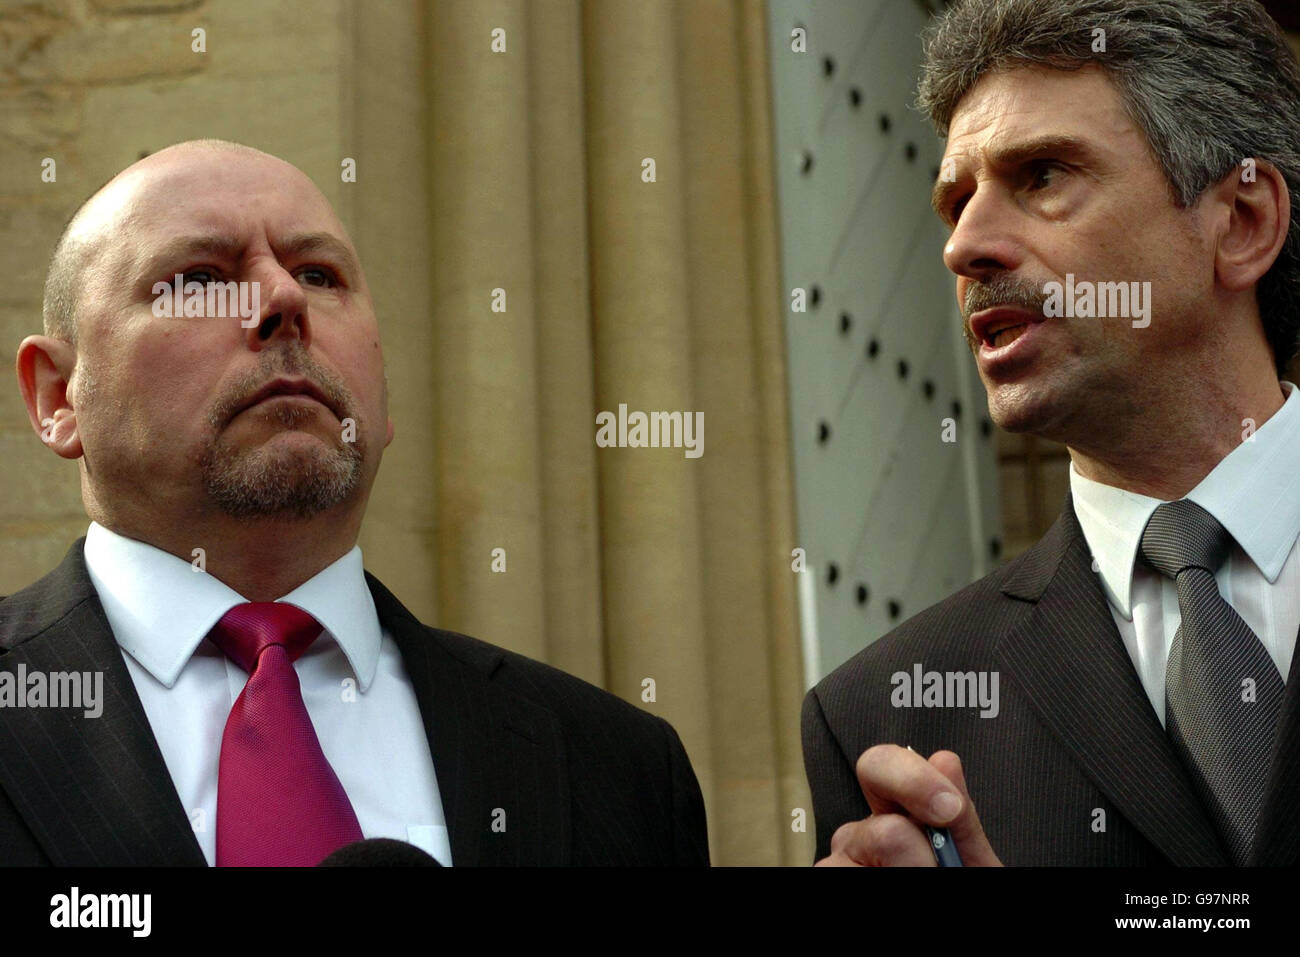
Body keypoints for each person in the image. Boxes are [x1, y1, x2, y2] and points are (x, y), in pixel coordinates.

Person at [1, 139, 709, 867]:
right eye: (201, 280)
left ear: (384, 392)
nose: (283, 300)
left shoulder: (618, 766)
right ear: (58, 396)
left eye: (318, 274)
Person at [802, 0, 1300, 866]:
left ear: (1242, 222)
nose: (964, 246)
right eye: (956, 202)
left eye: (1040, 177)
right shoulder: (886, 719)